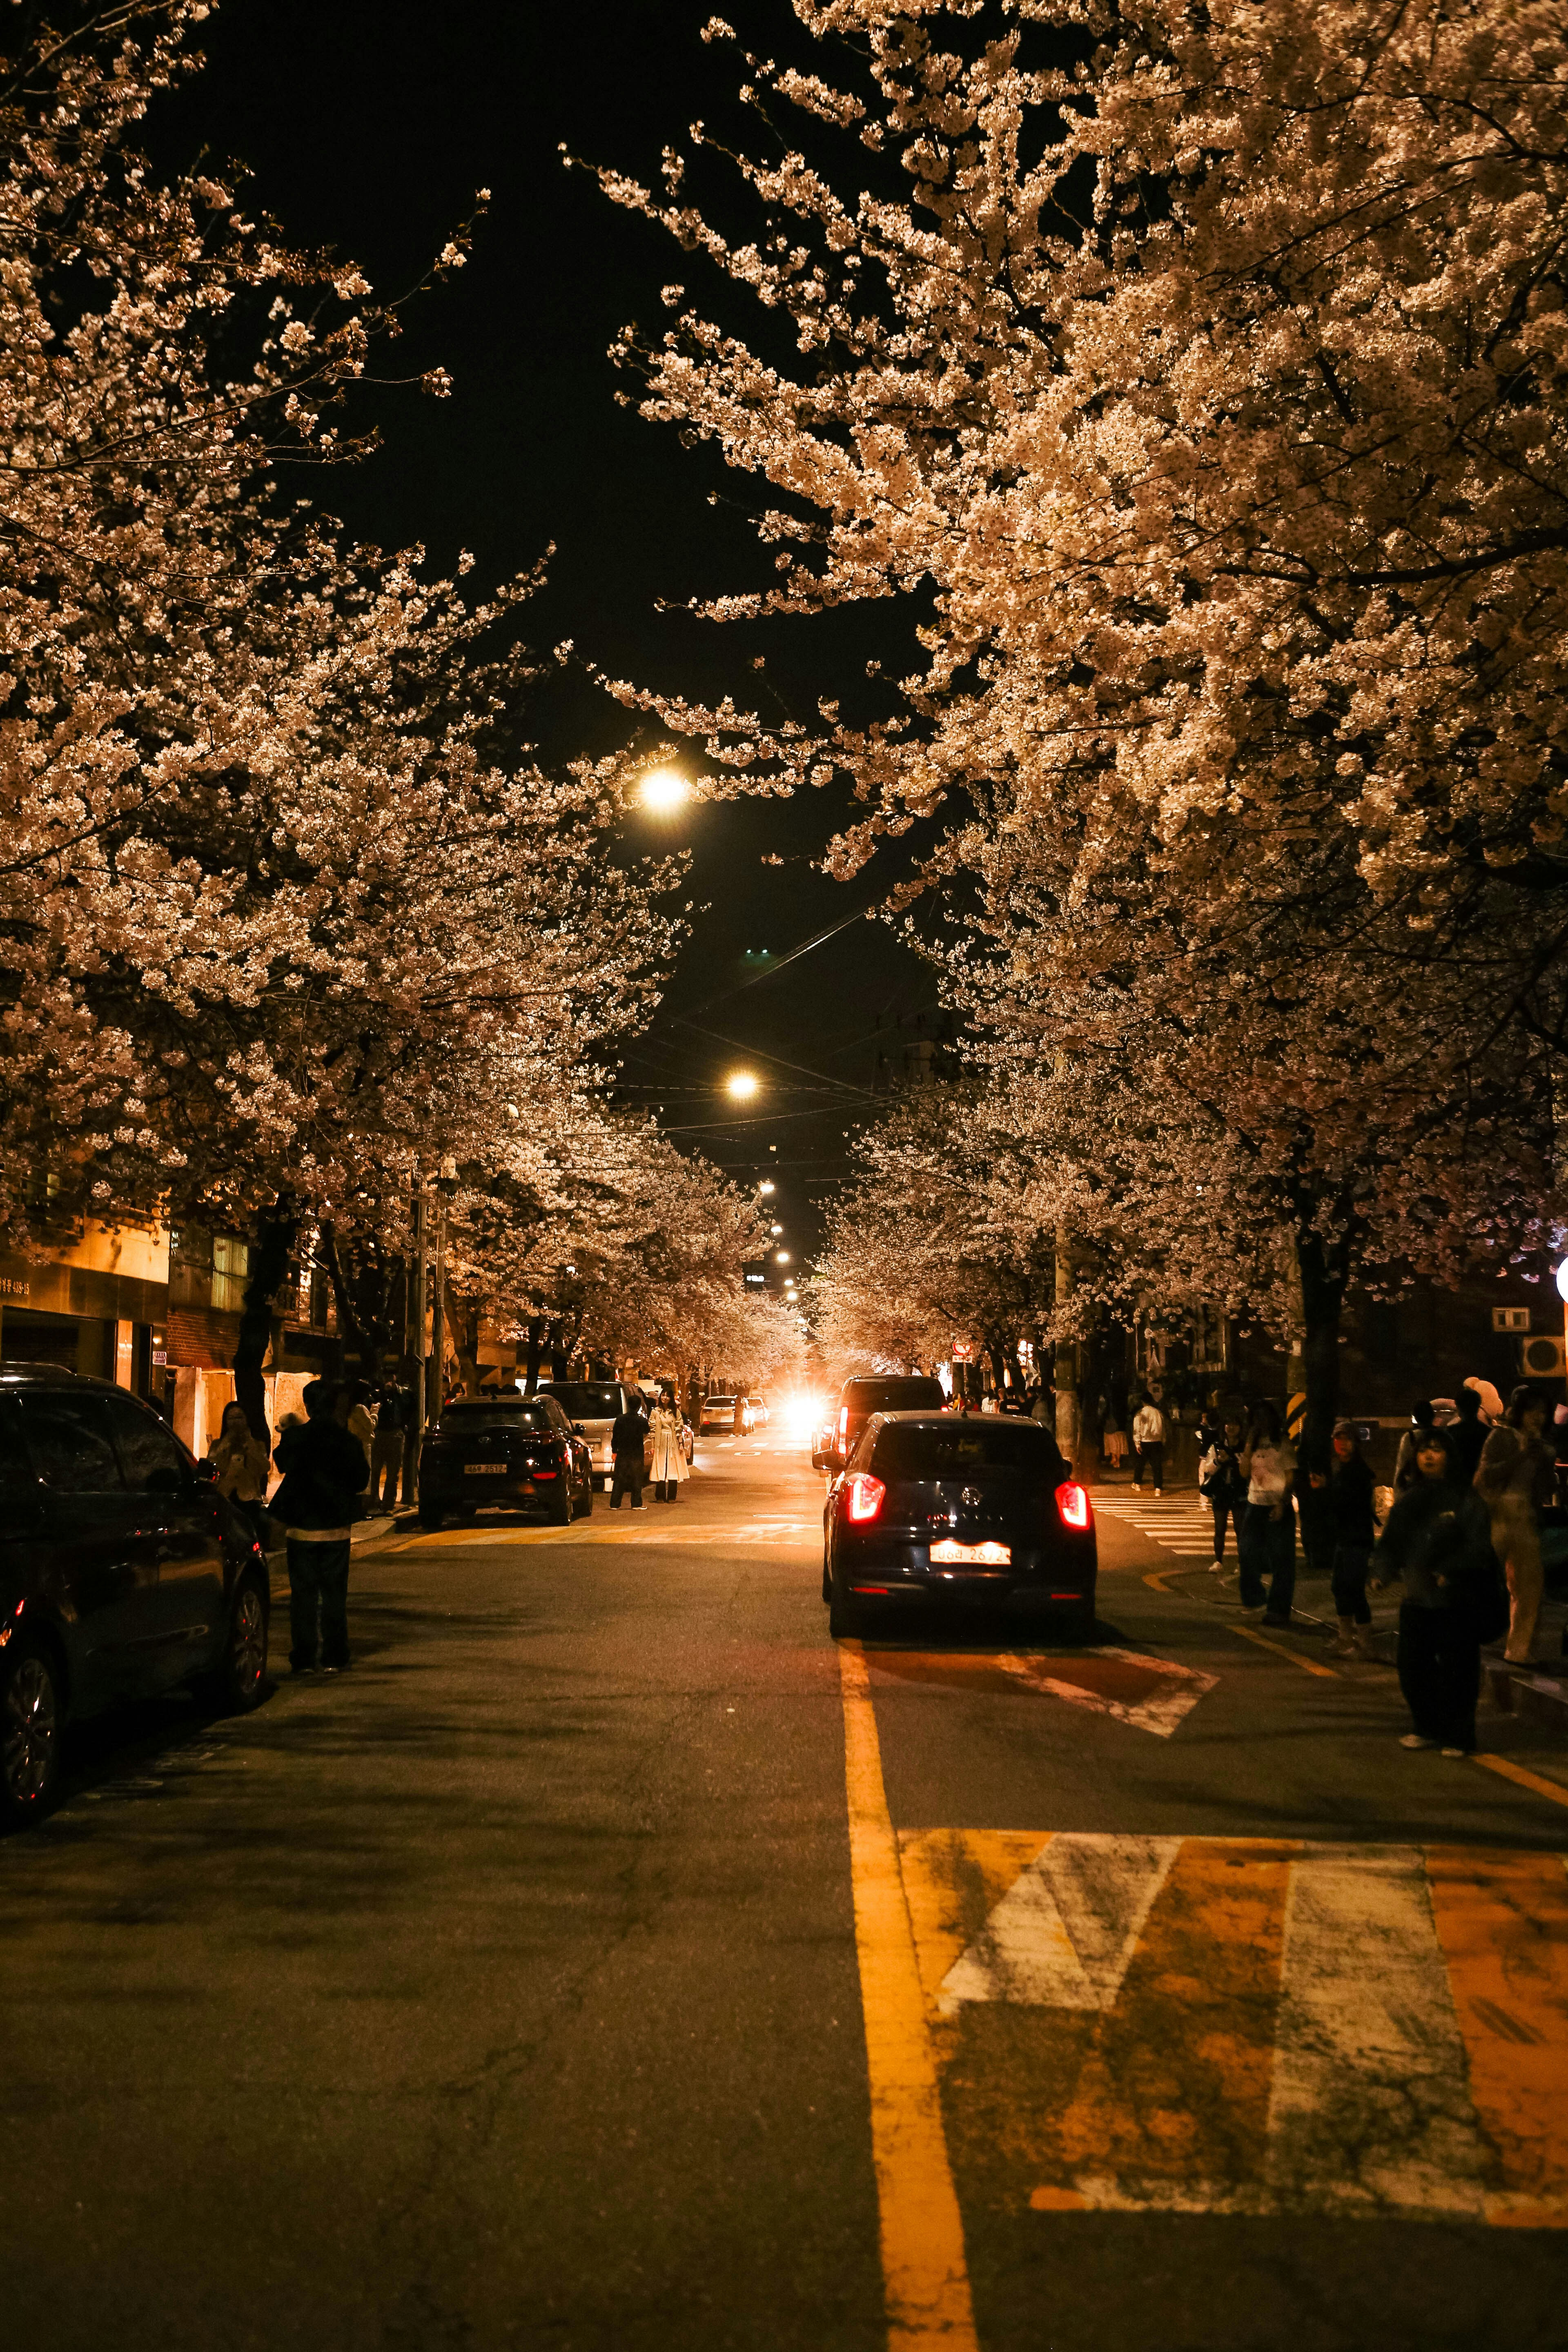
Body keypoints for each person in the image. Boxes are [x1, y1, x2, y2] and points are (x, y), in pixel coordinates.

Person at [1372, 1425, 1496, 1754]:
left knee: (1458, 1671)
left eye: (1437, 1450)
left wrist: (1452, 1569)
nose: (1429, 1456)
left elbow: (1479, 1545)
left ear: (1450, 1457)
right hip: (1418, 1598)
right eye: (1424, 1450)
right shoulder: (1411, 1498)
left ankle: (1459, 1736)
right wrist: (1382, 1572)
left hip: (1456, 1600)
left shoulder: (1465, 1498)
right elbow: (1391, 1542)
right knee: (1414, 1667)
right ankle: (1426, 1726)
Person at [270, 1380, 370, 1674]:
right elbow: (360, 1481)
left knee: (303, 1595)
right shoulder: (347, 1440)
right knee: (334, 1595)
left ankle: (304, 1657)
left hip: (301, 1526)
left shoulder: (296, 1437)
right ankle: (334, 1656)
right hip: (335, 1526)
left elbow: (281, 1463)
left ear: (308, 1406)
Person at [1475, 1383, 1555, 1664]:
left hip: (1525, 1517)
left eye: (1543, 1412)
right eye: (1532, 1411)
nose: (1537, 1417)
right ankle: (1463, 1635)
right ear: (1520, 1412)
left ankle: (1518, 1649)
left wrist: (1546, 1463)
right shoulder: (1501, 1436)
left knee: (1529, 1585)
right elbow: (1486, 1476)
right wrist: (1521, 1456)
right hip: (1496, 1513)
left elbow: (1543, 1489)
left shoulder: (1543, 1447)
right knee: (1478, 1578)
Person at [1238, 1402, 1297, 1626]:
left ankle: (1279, 1610)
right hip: (1255, 1504)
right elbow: (1244, 1473)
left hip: (1277, 1505)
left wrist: (1283, 1502)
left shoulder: (1282, 1443)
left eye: (1264, 1418)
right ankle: (1254, 1599)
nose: (1260, 1423)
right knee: (1247, 1552)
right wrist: (1248, 1446)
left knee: (1282, 1559)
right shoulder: (1252, 1445)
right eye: (1256, 1418)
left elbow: (1291, 1477)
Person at [1323, 1419, 1378, 1657]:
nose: (1343, 1443)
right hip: (1344, 1537)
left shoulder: (1358, 1471)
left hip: (1357, 1538)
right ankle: (1345, 1636)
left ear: (1356, 1443)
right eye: (1339, 1439)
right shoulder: (1340, 1468)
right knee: (1339, 1587)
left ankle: (1366, 1644)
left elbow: (1350, 1503)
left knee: (1355, 1590)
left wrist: (1328, 1491)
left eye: (1348, 1439)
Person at [206, 1399, 271, 1550]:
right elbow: (212, 1465)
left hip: (249, 1499)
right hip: (225, 1498)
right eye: (231, 1418)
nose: (236, 1422)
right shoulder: (218, 1445)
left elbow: (264, 1467)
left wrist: (249, 1444)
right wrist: (225, 1444)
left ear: (247, 1420)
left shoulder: (258, 1445)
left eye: (240, 1417)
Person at [1198, 1413, 1248, 1570]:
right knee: (1220, 1529)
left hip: (1239, 1491)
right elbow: (1208, 1469)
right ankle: (1218, 1561)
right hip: (1221, 1492)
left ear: (1240, 1428)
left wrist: (1233, 1460)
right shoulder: (1217, 1446)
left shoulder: (1245, 1447)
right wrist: (1218, 1460)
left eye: (1235, 1424)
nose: (1231, 1427)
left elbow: (1249, 1468)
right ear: (1224, 1427)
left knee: (1240, 1529)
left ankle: (1242, 1563)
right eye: (1228, 1424)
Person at [370, 1377, 412, 1511]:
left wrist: (403, 1427)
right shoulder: (377, 1394)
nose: (388, 1382)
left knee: (393, 1472)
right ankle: (375, 1501)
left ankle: (387, 1503)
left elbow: (409, 1411)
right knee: (376, 1470)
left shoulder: (403, 1394)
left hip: (395, 1433)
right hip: (381, 1433)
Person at [610, 1388, 649, 1510]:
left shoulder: (620, 1419)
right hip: (636, 1452)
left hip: (622, 1451)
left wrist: (614, 1450)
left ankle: (615, 1504)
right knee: (637, 1479)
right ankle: (636, 1503)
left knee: (619, 1478)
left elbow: (615, 1436)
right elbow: (647, 1431)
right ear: (639, 1406)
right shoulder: (641, 1420)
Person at [648, 1388, 687, 1502]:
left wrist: (680, 1443)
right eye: (663, 1395)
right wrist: (653, 1446)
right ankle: (660, 1496)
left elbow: (679, 1427)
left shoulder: (675, 1411)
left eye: (667, 1396)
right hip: (660, 1441)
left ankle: (672, 1496)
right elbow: (653, 1429)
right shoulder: (655, 1412)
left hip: (673, 1441)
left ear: (671, 1398)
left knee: (672, 1467)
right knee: (660, 1467)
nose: (665, 1398)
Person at [1447, 1383, 1489, 1483]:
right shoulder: (1489, 1432)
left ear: (1458, 1408)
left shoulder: (1450, 1433)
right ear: (1478, 1407)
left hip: (1457, 1482)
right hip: (1483, 1481)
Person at [1393, 1399, 1437, 1493]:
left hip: (1416, 1488)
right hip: (1438, 1487)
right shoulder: (1443, 1436)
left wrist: (1399, 1494)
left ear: (1416, 1418)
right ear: (1433, 1416)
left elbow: (1401, 1466)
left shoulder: (1409, 1438)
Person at [1131, 1393, 1165, 1494]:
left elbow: (1137, 1429)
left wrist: (1137, 1443)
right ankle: (1158, 1488)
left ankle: (1137, 1484)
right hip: (1157, 1441)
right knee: (1157, 1465)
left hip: (1144, 1441)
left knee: (1140, 1464)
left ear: (1143, 1402)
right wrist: (1163, 1440)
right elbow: (1163, 1429)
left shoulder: (1140, 1414)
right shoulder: (1158, 1413)